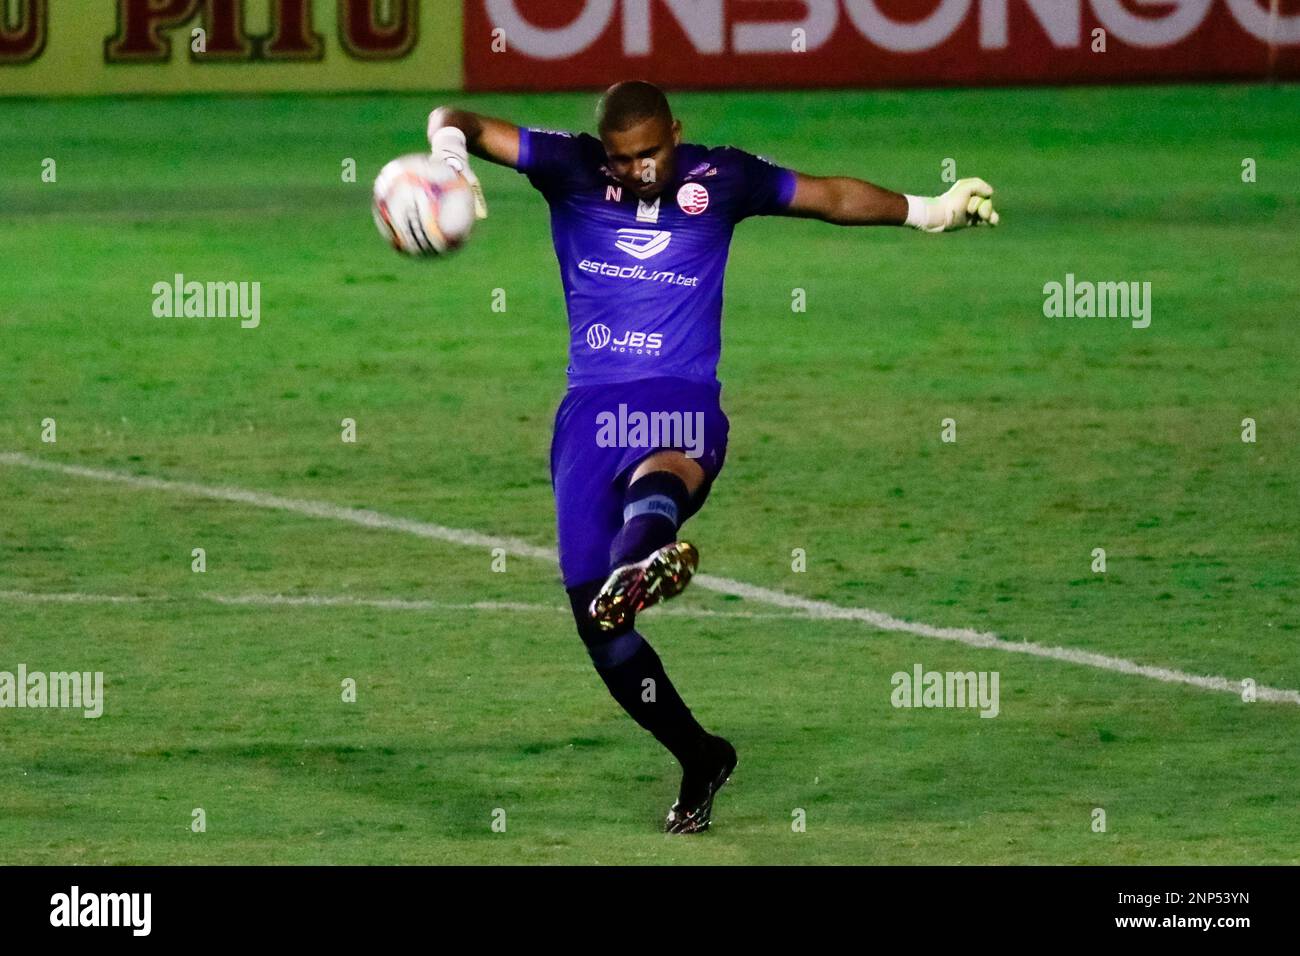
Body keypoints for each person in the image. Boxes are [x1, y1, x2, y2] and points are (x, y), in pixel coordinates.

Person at [427, 80, 999, 834]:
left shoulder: (720, 178)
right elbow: (456, 115)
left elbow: (826, 195)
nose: (639, 170)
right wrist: (450, 159)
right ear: (607, 150)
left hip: (681, 395)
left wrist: (931, 211)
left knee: (664, 461)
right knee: (598, 626)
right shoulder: (566, 166)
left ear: (677, 132)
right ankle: (700, 755)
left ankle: (644, 558)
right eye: (625, 158)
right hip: (590, 409)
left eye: (653, 151)